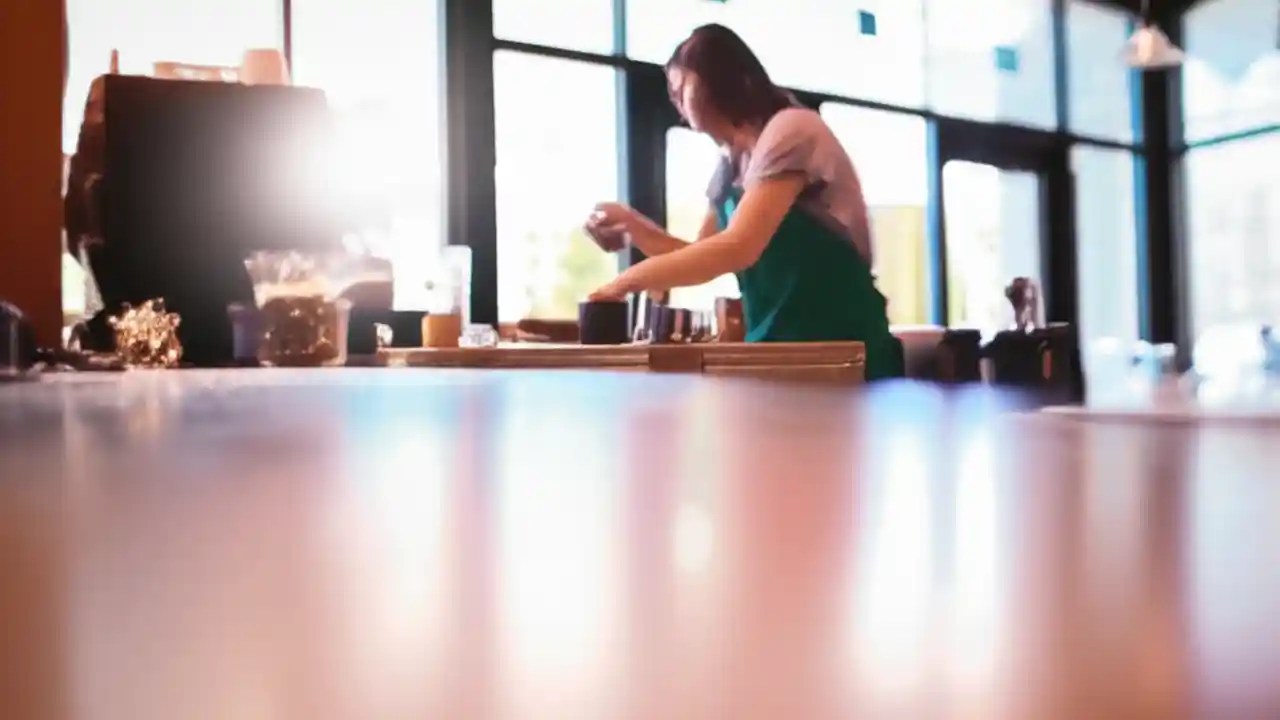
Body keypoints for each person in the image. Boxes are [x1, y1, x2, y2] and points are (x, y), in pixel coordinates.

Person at [585, 24, 904, 380]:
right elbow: (698, 253)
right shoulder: (730, 165)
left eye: (680, 86)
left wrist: (622, 284)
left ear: (720, 79)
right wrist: (630, 224)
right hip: (774, 346)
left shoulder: (792, 130)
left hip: (842, 346)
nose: (673, 98)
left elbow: (737, 248)